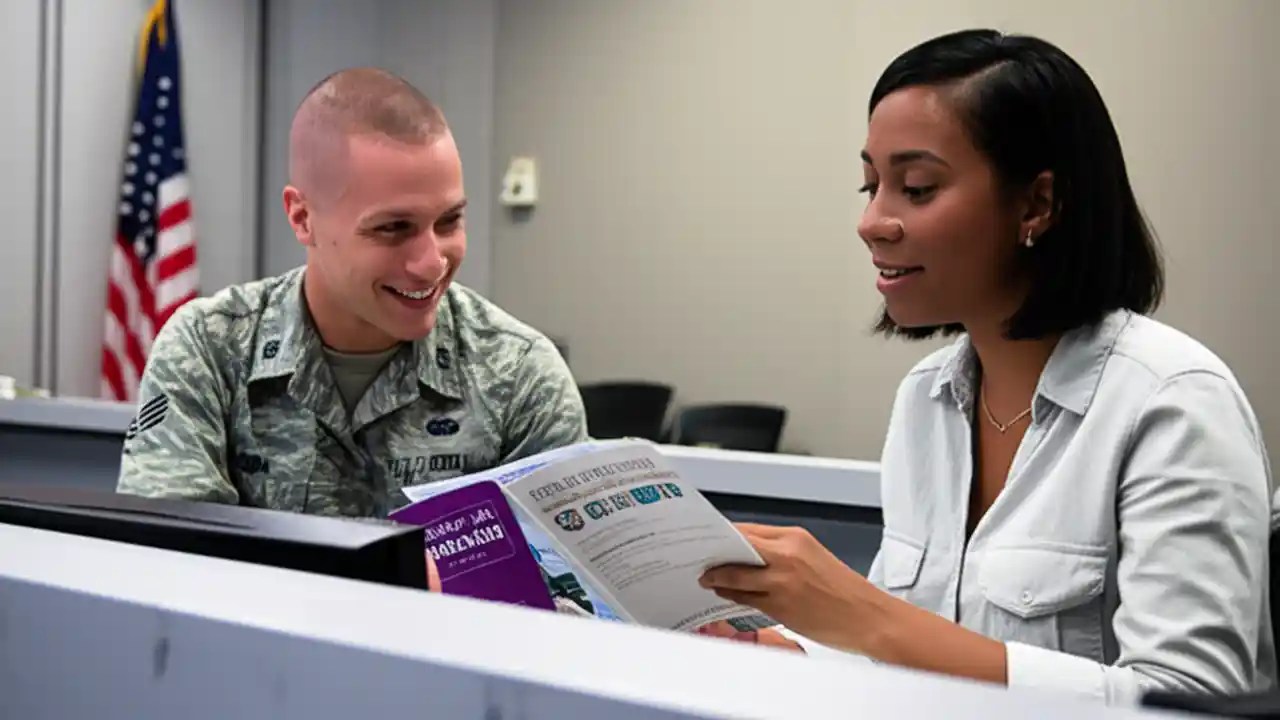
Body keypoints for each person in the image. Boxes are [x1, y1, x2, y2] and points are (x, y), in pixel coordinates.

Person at [699, 29, 1276, 705]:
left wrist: (866, 618)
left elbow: (1189, 699)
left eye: (915, 188)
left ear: (1036, 205)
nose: (871, 221)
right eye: (870, 184)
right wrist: (787, 644)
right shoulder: (927, 397)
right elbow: (916, 648)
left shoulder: (1172, 401)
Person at [117, 67, 587, 520]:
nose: (432, 262)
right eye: (393, 228)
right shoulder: (210, 351)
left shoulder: (521, 376)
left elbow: (565, 588)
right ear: (303, 218)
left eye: (449, 221)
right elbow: (171, 565)